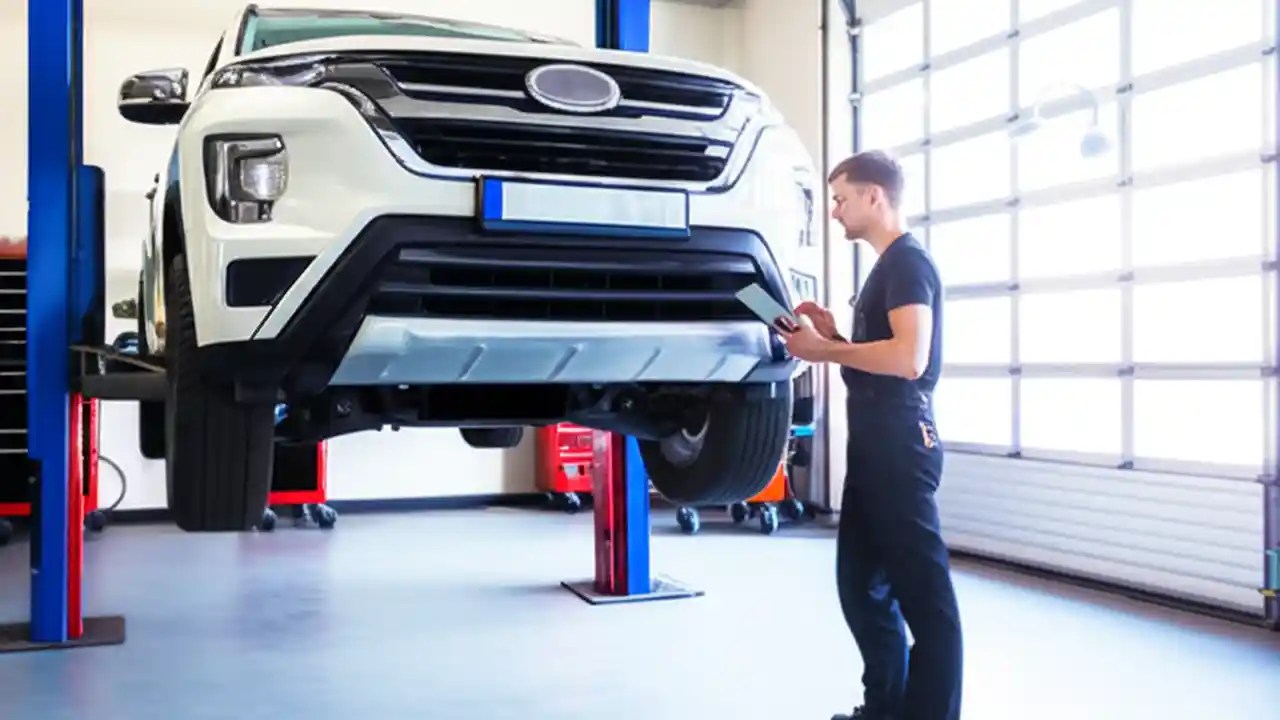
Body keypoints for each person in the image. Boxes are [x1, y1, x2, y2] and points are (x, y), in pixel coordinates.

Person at [779, 150, 963, 720]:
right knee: (860, 588)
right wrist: (834, 333)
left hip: (903, 447)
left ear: (874, 197)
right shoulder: (885, 270)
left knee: (925, 603)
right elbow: (879, 352)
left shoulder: (909, 264)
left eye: (840, 199)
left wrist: (824, 350)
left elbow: (910, 357)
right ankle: (884, 708)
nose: (834, 212)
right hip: (874, 449)